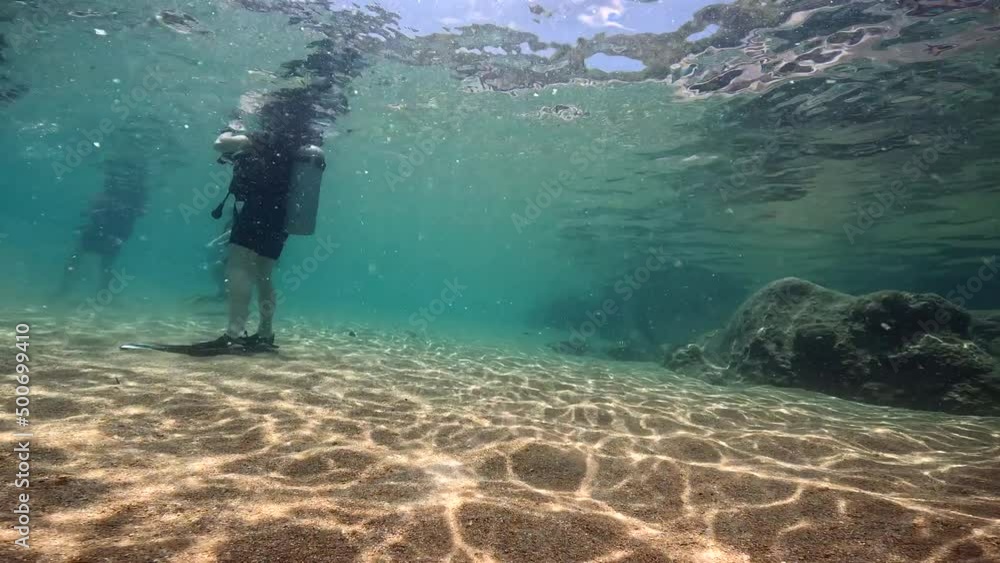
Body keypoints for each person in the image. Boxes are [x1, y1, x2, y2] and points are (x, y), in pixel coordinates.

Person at [192, 126, 298, 352]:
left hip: (257, 208)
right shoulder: (292, 145)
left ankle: (234, 334)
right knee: (265, 274)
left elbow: (219, 144)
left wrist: (231, 129)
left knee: (238, 264)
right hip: (284, 214)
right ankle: (265, 334)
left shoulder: (260, 138)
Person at [59, 157, 148, 296]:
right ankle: (66, 290)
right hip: (104, 229)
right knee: (90, 261)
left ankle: (96, 294)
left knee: (98, 263)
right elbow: (99, 203)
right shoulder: (123, 191)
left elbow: (139, 211)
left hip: (113, 231)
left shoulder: (135, 194)